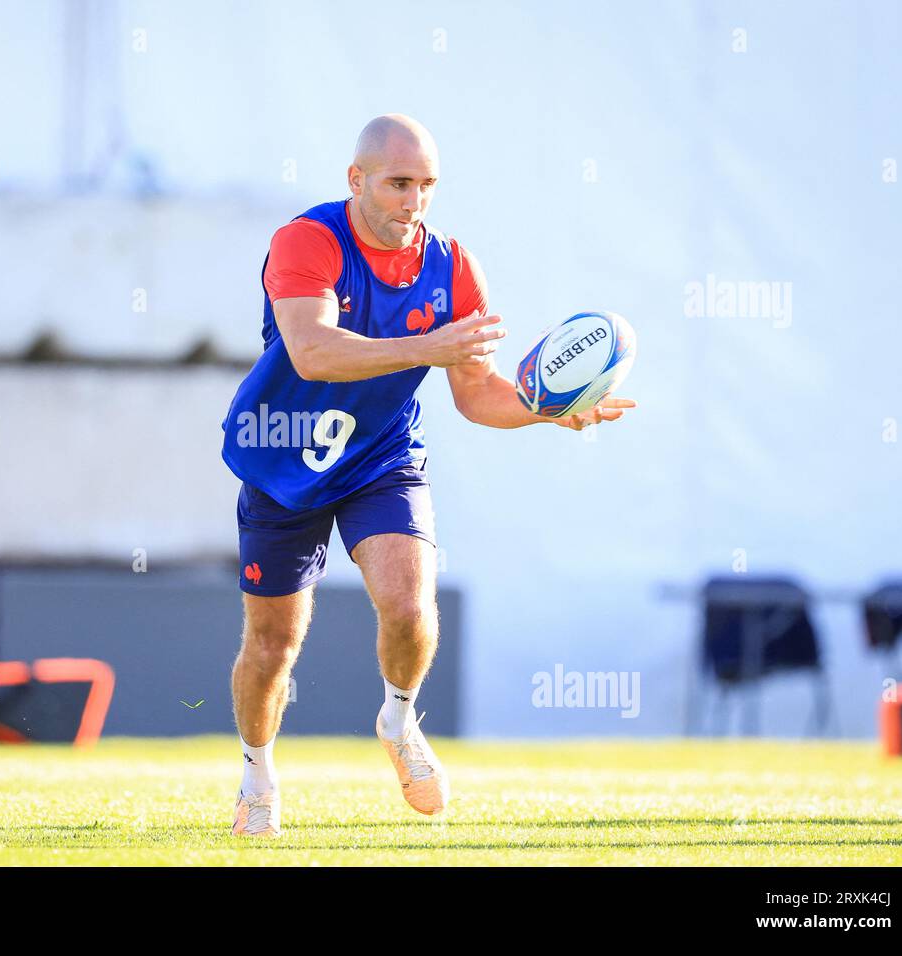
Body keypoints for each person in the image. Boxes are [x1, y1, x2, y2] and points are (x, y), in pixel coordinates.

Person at [219, 114, 635, 837]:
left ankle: (400, 720)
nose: (414, 200)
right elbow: (314, 351)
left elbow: (476, 393)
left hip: (381, 455)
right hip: (282, 451)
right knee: (271, 647)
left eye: (428, 185)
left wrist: (545, 409)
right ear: (357, 180)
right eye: (399, 183)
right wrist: (428, 345)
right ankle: (258, 771)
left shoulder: (451, 268)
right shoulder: (306, 241)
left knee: (410, 609)